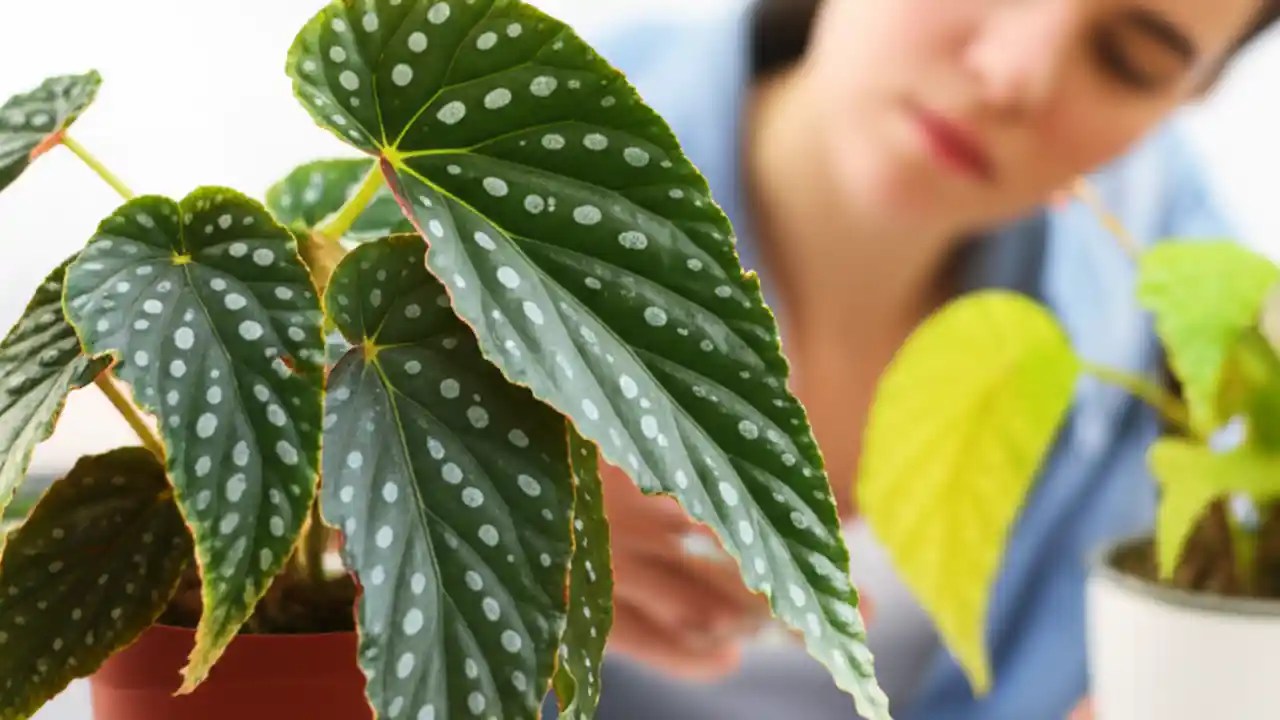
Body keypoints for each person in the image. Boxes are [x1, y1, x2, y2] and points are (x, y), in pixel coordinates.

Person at [546, 1, 1280, 719]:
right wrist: (454, 484)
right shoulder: (489, 173)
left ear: (1192, 95)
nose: (1012, 74)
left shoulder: (1166, 289)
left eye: (1129, 64)